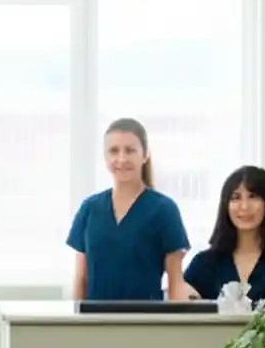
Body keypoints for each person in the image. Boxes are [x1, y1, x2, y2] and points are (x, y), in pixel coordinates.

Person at [66, 118, 192, 301]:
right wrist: (75, 326)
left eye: (130, 150)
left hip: (145, 323)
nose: (122, 159)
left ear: (145, 155)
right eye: (114, 151)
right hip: (94, 323)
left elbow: (175, 284)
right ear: (105, 156)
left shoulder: (164, 210)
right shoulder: (90, 208)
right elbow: (81, 279)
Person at [183, 165, 265, 305]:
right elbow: (181, 305)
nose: (244, 207)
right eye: (236, 198)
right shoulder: (204, 263)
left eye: (253, 197)